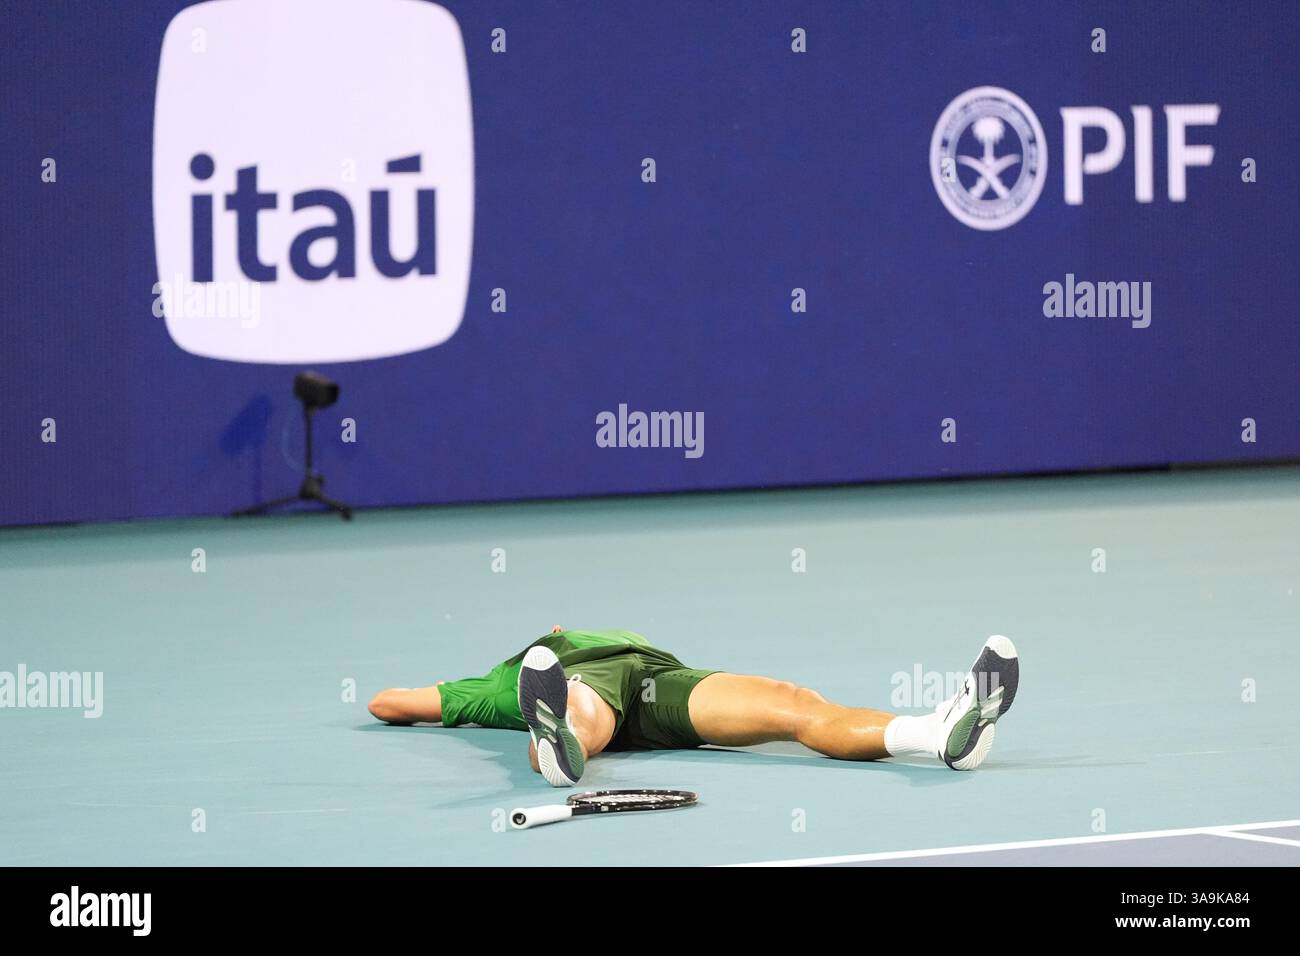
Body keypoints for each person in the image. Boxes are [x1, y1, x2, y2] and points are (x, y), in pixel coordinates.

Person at [368, 627, 1018, 787]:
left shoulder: (602, 641)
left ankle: (937, 734)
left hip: (660, 682)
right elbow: (389, 703)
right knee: (584, 712)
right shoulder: (500, 678)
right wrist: (461, 700)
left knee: (795, 705)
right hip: (592, 697)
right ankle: (556, 738)